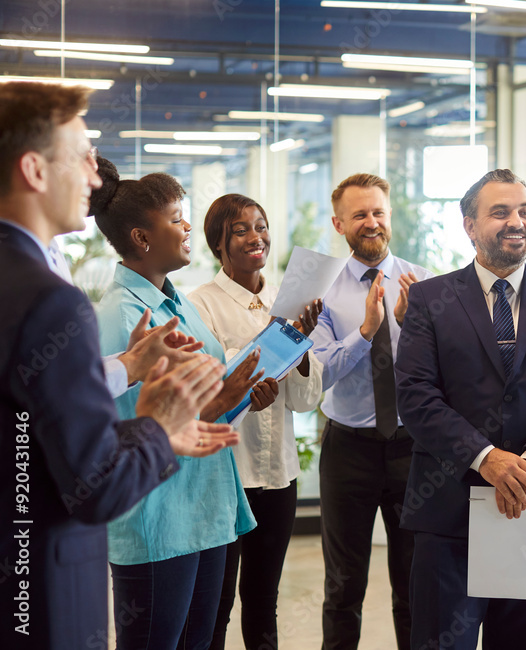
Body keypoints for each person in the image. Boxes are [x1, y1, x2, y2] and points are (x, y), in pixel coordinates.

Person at [0, 81, 237, 650]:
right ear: (34, 170)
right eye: (81, 155)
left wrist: (131, 369)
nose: (94, 175)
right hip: (38, 586)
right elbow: (93, 485)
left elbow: (31, 430)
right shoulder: (50, 301)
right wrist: (158, 425)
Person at [395, 169, 526, 650]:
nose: (517, 222)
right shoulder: (430, 299)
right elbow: (416, 396)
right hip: (449, 509)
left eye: (525, 211)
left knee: (519, 642)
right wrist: (486, 458)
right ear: (470, 226)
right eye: (500, 212)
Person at [91, 157, 262, 650]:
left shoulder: (177, 301)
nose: (188, 228)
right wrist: (220, 398)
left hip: (205, 508)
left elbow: (202, 400)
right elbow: (130, 432)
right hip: (159, 520)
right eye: (176, 219)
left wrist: (236, 393)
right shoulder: (119, 315)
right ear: (142, 238)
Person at [188, 193, 324, 650]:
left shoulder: (289, 301)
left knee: (264, 599)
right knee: (216, 601)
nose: (255, 236)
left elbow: (304, 400)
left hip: (278, 476)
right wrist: (266, 351)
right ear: (218, 243)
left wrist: (300, 349)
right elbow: (209, 385)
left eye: (261, 226)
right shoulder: (200, 305)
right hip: (227, 476)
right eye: (240, 229)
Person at [310, 172, 431, 650]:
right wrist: (365, 333)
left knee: (416, 585)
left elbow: (446, 374)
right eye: (359, 214)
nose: (371, 222)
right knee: (342, 588)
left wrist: (411, 328)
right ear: (339, 224)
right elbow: (319, 374)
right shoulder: (321, 289)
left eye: (378, 212)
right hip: (348, 452)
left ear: (390, 216)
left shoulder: (425, 283)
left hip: (413, 449)